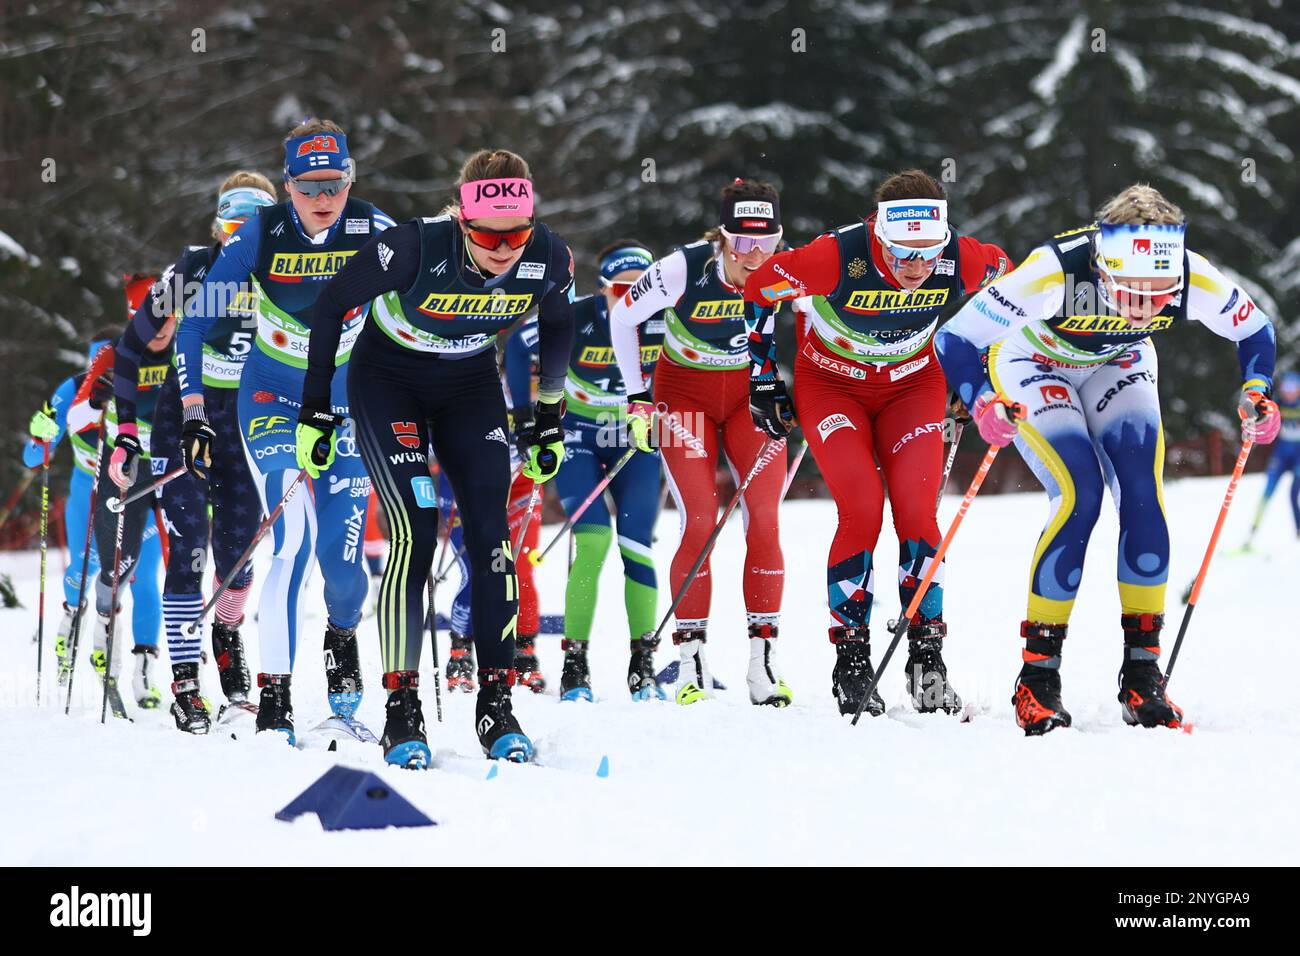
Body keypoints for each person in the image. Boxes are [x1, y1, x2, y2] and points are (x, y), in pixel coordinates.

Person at [934, 183, 1279, 735]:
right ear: (1103, 266)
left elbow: (1255, 329)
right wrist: (981, 402)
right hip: (1033, 360)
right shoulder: (1054, 271)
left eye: (1160, 295)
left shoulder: (1189, 272)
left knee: (1143, 495)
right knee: (1079, 495)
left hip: (1119, 363)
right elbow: (954, 338)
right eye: (1130, 292)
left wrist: (1256, 389)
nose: (1146, 306)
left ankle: (1143, 674)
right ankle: (1037, 679)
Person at [297, 148, 575, 766]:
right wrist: (315, 408)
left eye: (516, 236)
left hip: (469, 385)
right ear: (464, 220)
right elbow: (330, 304)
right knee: (414, 532)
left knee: (492, 538)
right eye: (487, 235)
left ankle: (497, 705)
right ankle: (403, 710)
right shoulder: (417, 247)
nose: (504, 250)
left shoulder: (549, 254)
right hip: (387, 379)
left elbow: (559, 328)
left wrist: (548, 416)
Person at [741, 169, 1012, 717]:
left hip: (913, 384)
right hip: (832, 385)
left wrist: (978, 370)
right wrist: (764, 376)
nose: (915, 269)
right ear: (878, 232)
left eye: (927, 255)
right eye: (901, 254)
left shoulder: (963, 257)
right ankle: (852, 660)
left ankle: (926, 662)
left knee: (917, 513)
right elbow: (757, 288)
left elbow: (1010, 287)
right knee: (862, 508)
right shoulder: (836, 256)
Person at [175, 120, 394, 742]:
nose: (324, 200)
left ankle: (342, 647)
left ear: (350, 179)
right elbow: (192, 327)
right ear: (288, 186)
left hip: (348, 401)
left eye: (336, 184)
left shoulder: (373, 229)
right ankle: (275, 705)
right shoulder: (260, 234)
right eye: (308, 187)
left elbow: (418, 306)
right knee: (291, 536)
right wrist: (193, 410)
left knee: (344, 563)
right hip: (271, 396)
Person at [610, 179, 789, 707]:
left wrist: (798, 389)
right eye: (742, 242)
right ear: (724, 237)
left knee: (765, 516)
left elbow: (814, 319)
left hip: (748, 397)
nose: (755, 255)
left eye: (767, 242)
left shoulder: (786, 268)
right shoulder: (681, 269)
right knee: (700, 519)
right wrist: (636, 396)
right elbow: (623, 317)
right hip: (682, 394)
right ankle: (691, 661)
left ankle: (763, 662)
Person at [112, 172, 277, 733]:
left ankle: (227, 639)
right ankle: (186, 679)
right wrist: (126, 430)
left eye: (254, 230)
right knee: (188, 549)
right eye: (233, 230)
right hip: (184, 417)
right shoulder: (191, 272)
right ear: (217, 227)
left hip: (249, 418)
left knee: (239, 552)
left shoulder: (287, 270)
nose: (242, 243)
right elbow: (130, 348)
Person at [531, 240, 665, 700]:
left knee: (636, 545)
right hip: (580, 437)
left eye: (640, 290)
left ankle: (642, 663)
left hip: (635, 437)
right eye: (620, 291)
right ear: (603, 289)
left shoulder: (668, 316)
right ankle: (575, 664)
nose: (631, 301)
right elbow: (518, 352)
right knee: (593, 539)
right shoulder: (577, 314)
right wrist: (524, 416)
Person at [24, 329, 118, 686]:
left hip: (124, 491)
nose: (104, 378)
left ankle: (127, 658)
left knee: (135, 573)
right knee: (87, 561)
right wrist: (39, 435)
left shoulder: (137, 383)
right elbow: (33, 457)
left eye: (111, 368)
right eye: (98, 369)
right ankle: (69, 624)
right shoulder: (72, 389)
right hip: (86, 490)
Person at [1242, 370, 1300, 548]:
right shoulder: (1278, 404)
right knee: (1267, 492)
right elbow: (1263, 417)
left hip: (1298, 454)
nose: (1289, 391)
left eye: (1293, 387)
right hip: (1281, 454)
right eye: (1286, 387)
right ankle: (1251, 536)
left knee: (1293, 493)